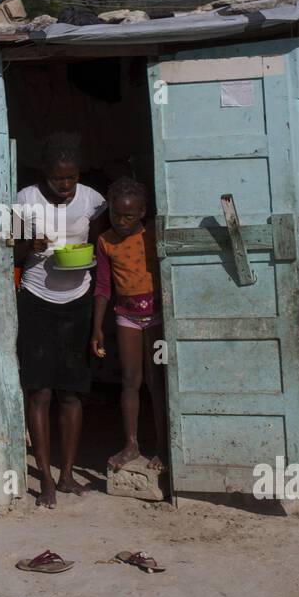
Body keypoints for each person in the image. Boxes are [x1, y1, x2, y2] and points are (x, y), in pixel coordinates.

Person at [13, 132, 107, 508]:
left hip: (79, 302)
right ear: (44, 173)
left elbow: (100, 248)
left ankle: (67, 474)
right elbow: (11, 248)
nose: (66, 185)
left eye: (72, 177)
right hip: (37, 300)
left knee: (71, 392)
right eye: (58, 178)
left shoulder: (92, 200)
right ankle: (46, 480)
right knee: (40, 391)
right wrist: (28, 245)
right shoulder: (25, 199)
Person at [90, 177, 168, 473]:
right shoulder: (105, 241)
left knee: (157, 381)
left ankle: (164, 446)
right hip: (126, 317)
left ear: (143, 212)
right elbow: (103, 286)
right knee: (130, 381)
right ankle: (131, 444)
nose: (121, 222)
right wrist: (97, 327)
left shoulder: (152, 235)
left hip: (158, 316)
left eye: (129, 216)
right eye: (115, 215)